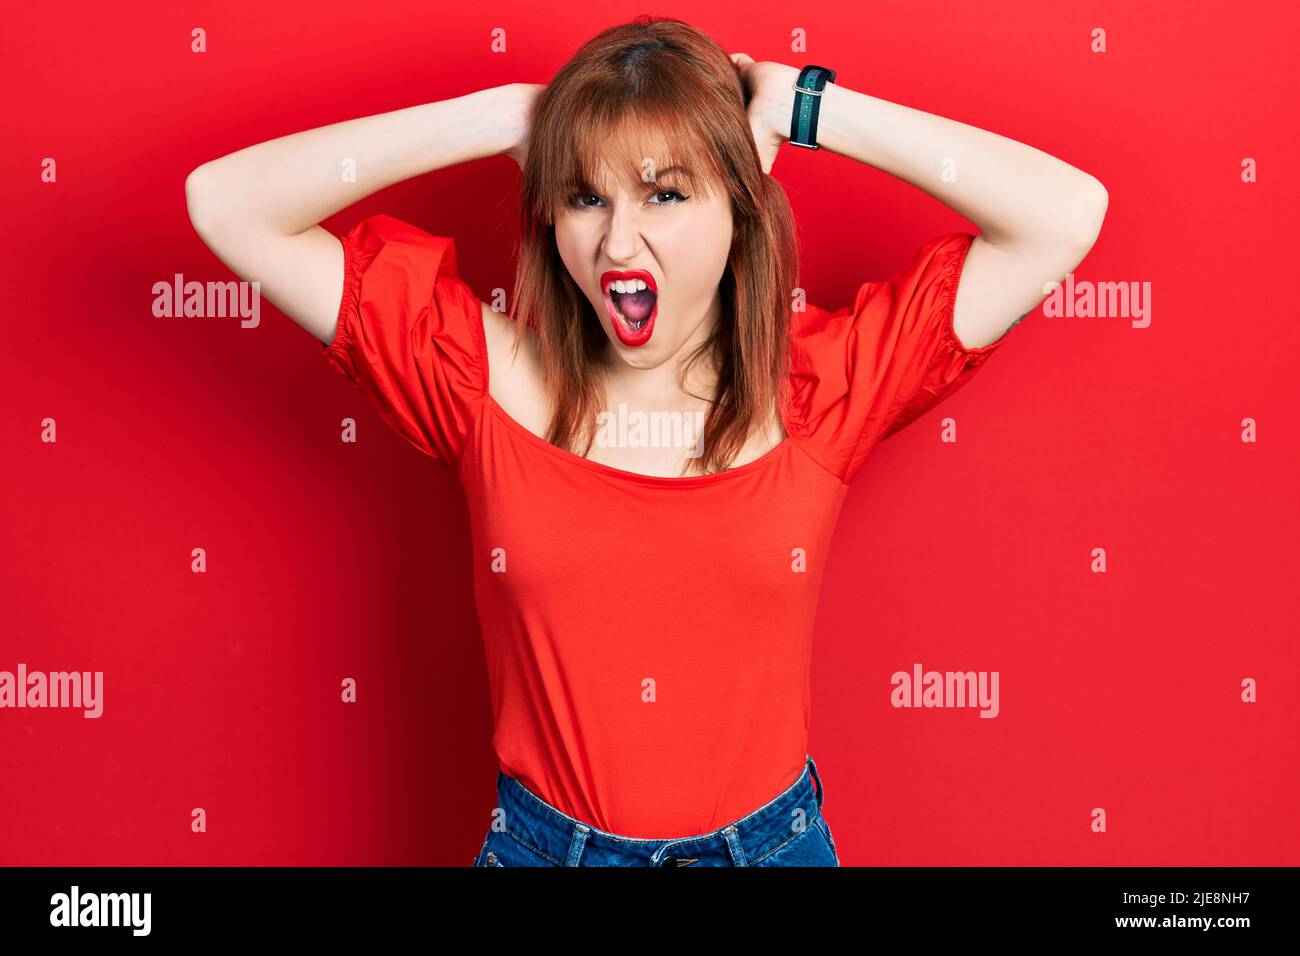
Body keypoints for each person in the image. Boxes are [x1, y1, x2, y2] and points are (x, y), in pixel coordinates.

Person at [185, 16, 1106, 866]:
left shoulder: (824, 391)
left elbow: (1064, 215)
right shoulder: (473, 380)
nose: (618, 243)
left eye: (664, 194)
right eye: (585, 196)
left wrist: (806, 106)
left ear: (743, 208)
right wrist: (502, 116)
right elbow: (224, 204)